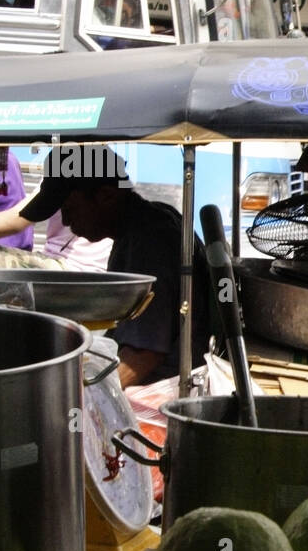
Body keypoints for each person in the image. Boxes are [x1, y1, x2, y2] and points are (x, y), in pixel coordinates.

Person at [16, 144, 211, 388]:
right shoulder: (150, 220)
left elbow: (142, 358)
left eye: (69, 209)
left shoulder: (148, 241)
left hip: (159, 389)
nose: (66, 221)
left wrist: (82, 401)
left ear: (107, 196)